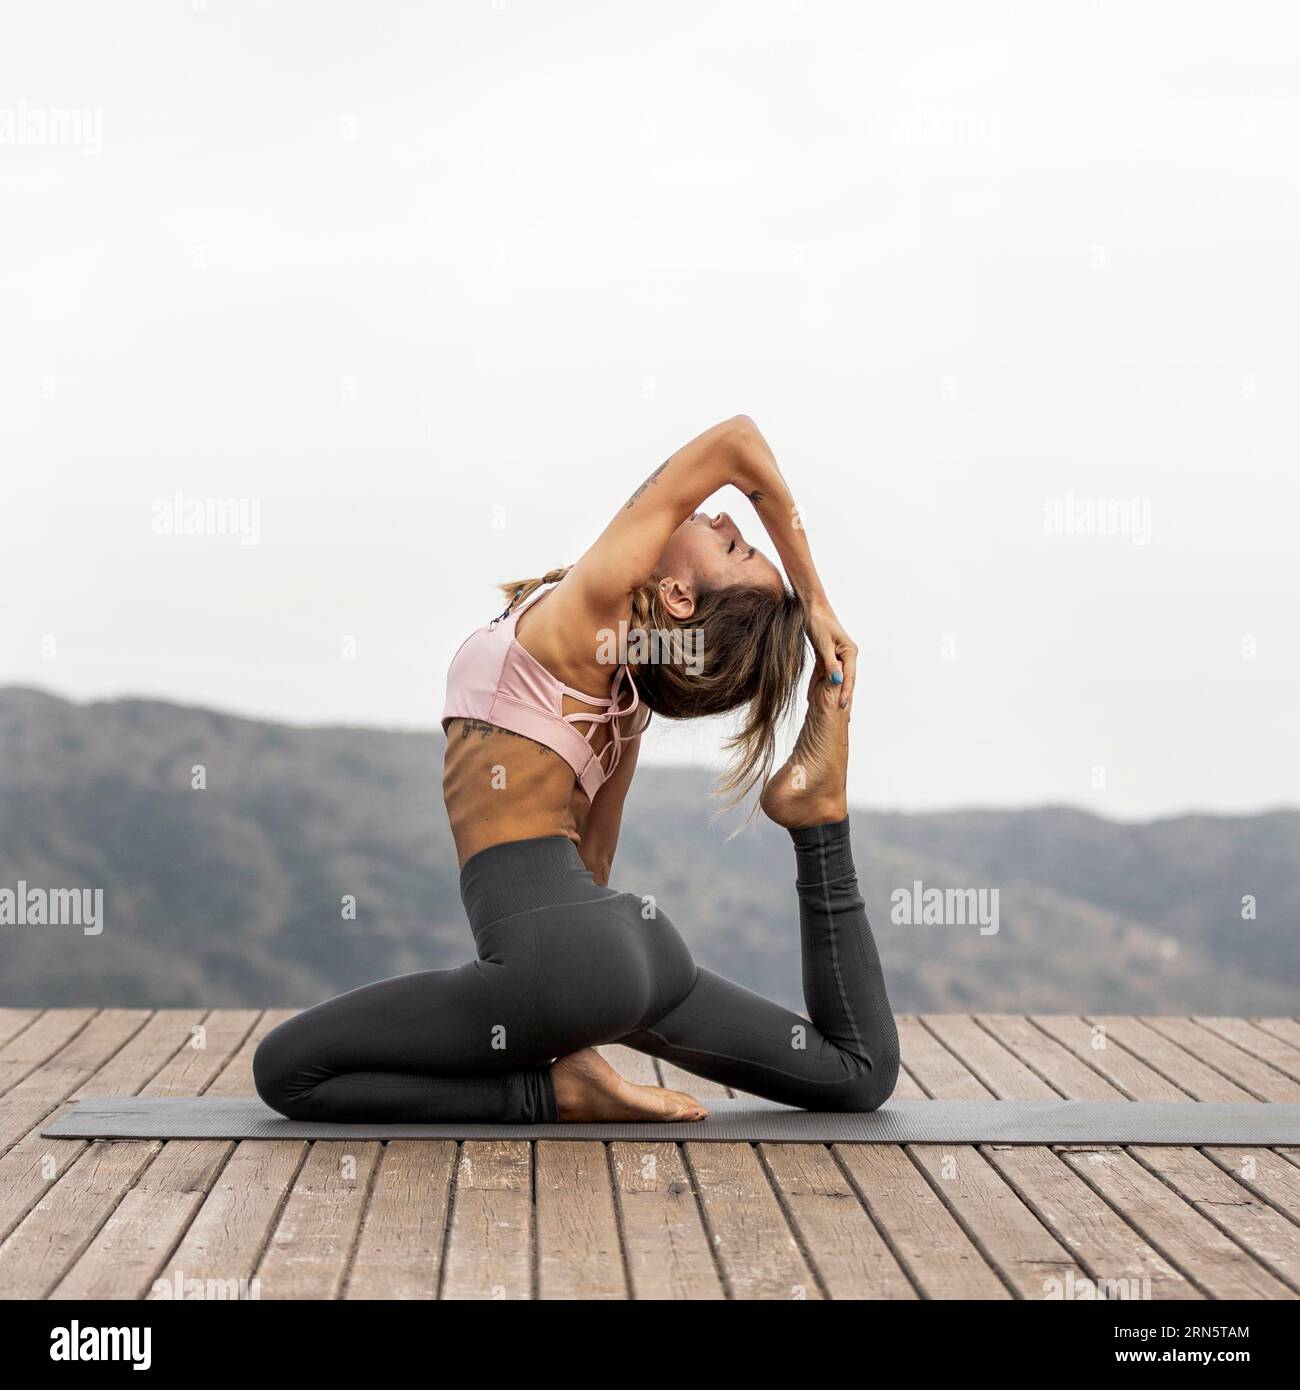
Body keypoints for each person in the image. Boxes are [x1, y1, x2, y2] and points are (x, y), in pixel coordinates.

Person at [254, 417, 898, 1123]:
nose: (720, 515)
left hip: (560, 962)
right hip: (635, 954)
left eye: (732, 544)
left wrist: (818, 604)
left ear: (679, 596)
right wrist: (569, 1025)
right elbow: (591, 865)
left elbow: (736, 443)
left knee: (287, 1072)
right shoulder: (624, 695)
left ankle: (551, 1097)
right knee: (855, 1073)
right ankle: (821, 820)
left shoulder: (591, 612)